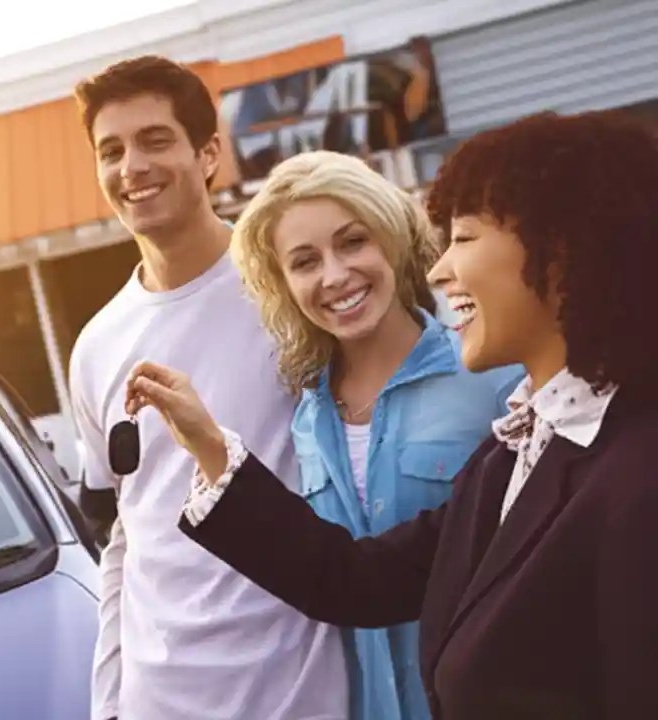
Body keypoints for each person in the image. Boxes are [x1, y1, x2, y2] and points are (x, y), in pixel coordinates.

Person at [126, 110, 658, 719]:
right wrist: (210, 448)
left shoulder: (639, 477)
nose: (439, 268)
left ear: (560, 249)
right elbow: (360, 580)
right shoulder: (510, 453)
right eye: (303, 261)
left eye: (464, 237)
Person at [147, 148, 522, 720]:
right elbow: (332, 575)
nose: (335, 275)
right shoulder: (307, 418)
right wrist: (209, 449)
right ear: (283, 284)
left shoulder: (494, 381)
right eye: (304, 261)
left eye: (353, 242)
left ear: (391, 241)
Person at [68, 55, 348, 720]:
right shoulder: (95, 348)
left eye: (155, 140)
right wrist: (108, 704)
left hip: (298, 690)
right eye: (112, 150)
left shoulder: (291, 290)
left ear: (209, 153)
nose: (132, 166)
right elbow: (124, 538)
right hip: (159, 701)